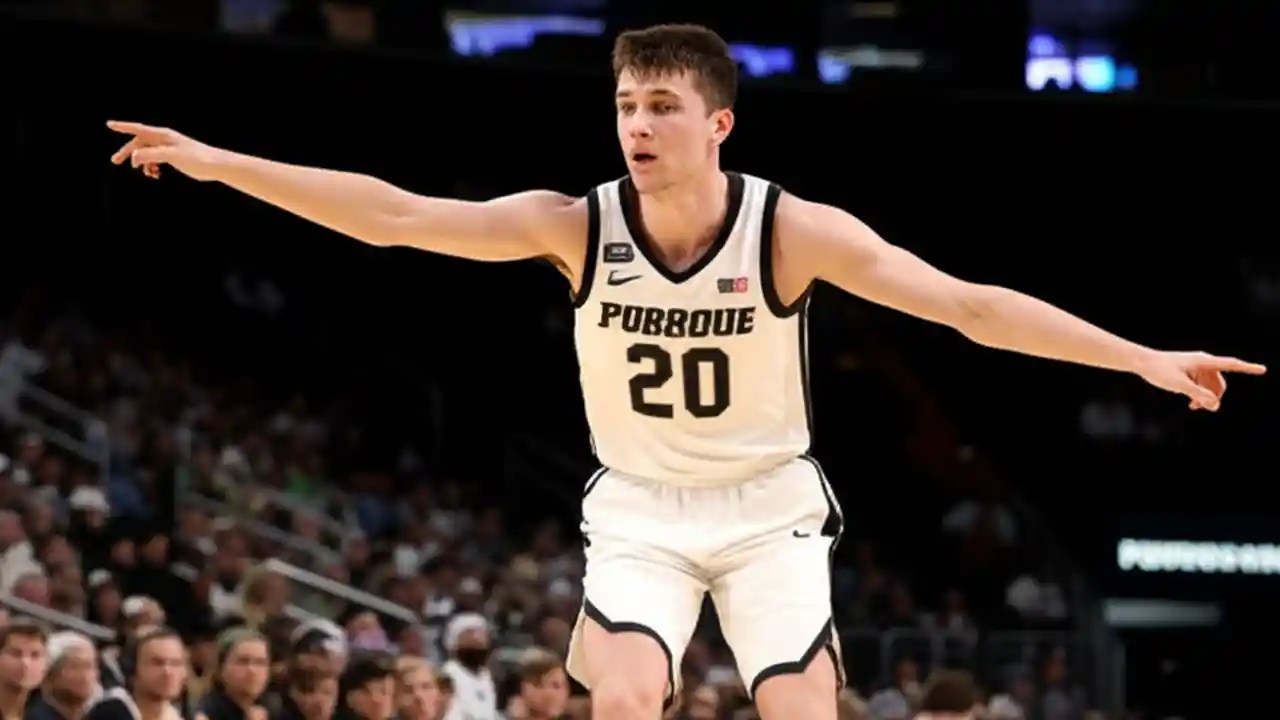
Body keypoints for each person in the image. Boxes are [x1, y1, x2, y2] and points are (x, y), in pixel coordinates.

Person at [106, 23, 1264, 720]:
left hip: (766, 507)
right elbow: (397, 218)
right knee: (619, 696)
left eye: (660, 105)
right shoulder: (575, 224)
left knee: (802, 706)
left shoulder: (790, 232)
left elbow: (966, 306)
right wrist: (218, 162)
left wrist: (1138, 358)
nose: (635, 125)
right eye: (623, 104)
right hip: (641, 512)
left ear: (718, 123)